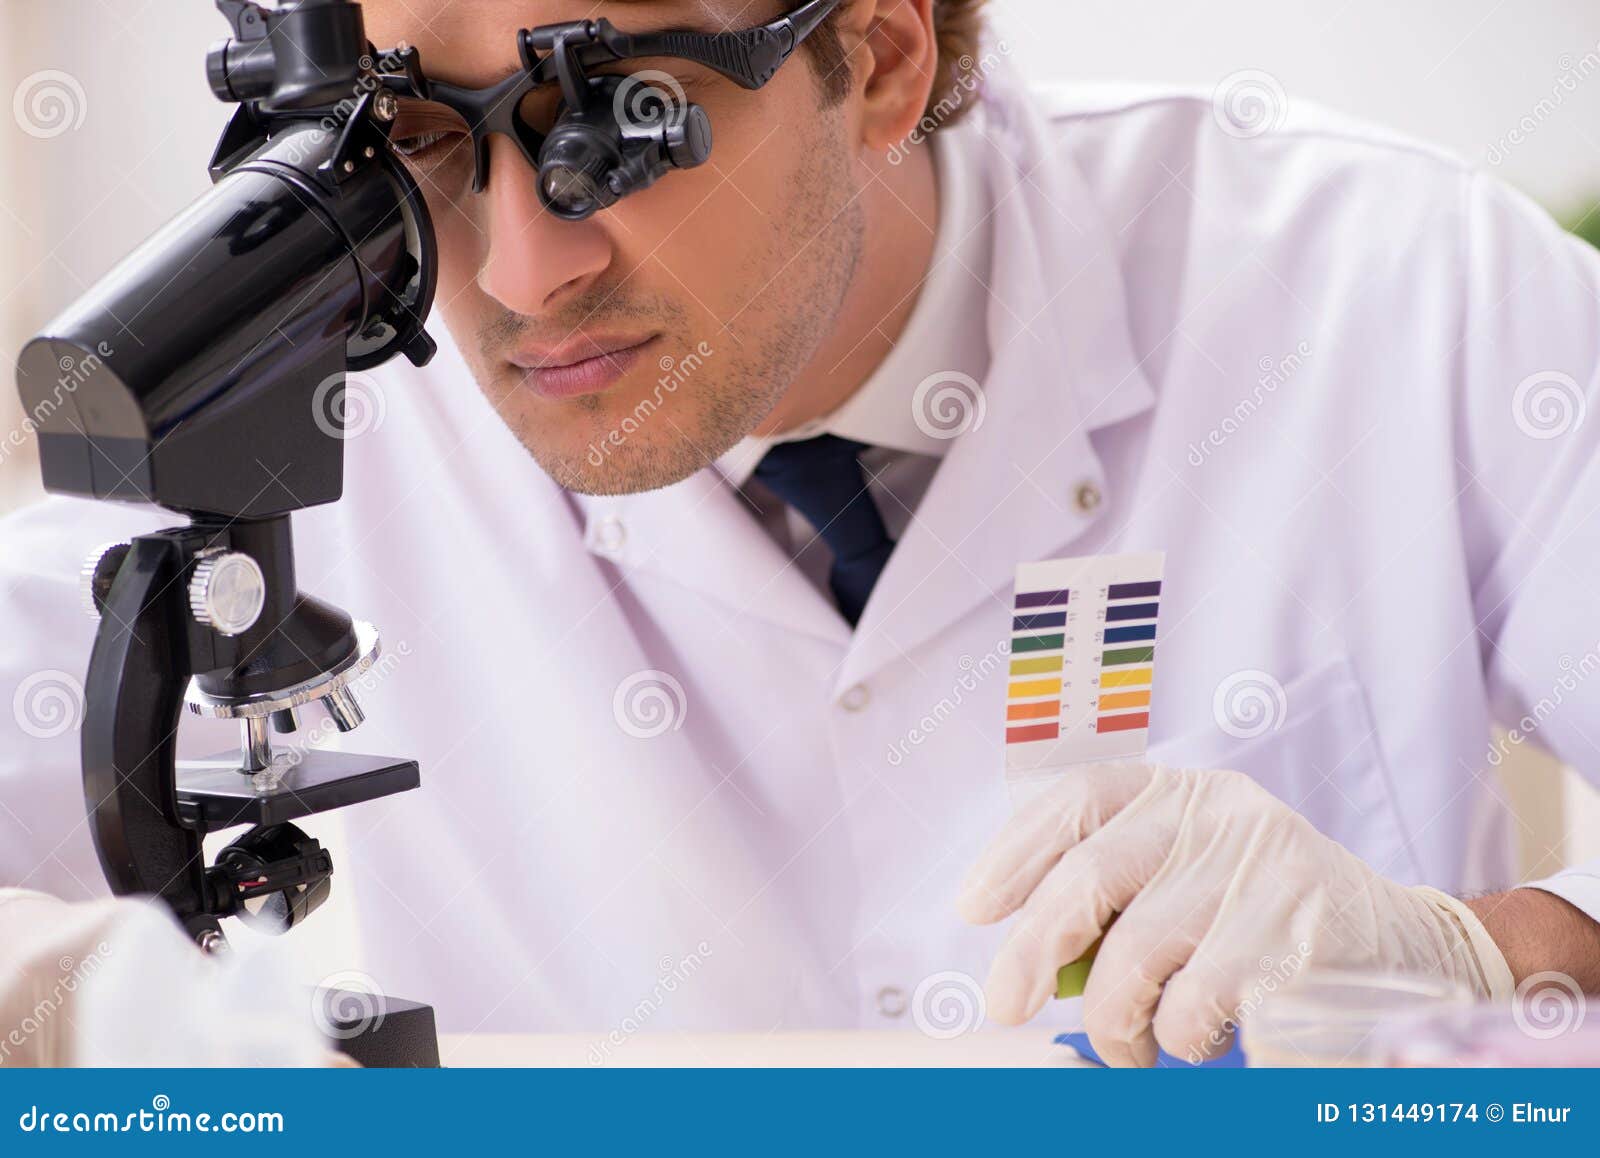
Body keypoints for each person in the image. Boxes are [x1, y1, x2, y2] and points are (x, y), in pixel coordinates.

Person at [2, 0, 1598, 1065]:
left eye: (613, 131)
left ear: (885, 57)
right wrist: (85, 1010)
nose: (517, 273)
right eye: (420, 141)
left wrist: (1476, 951)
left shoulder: (1404, 289)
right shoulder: (326, 385)